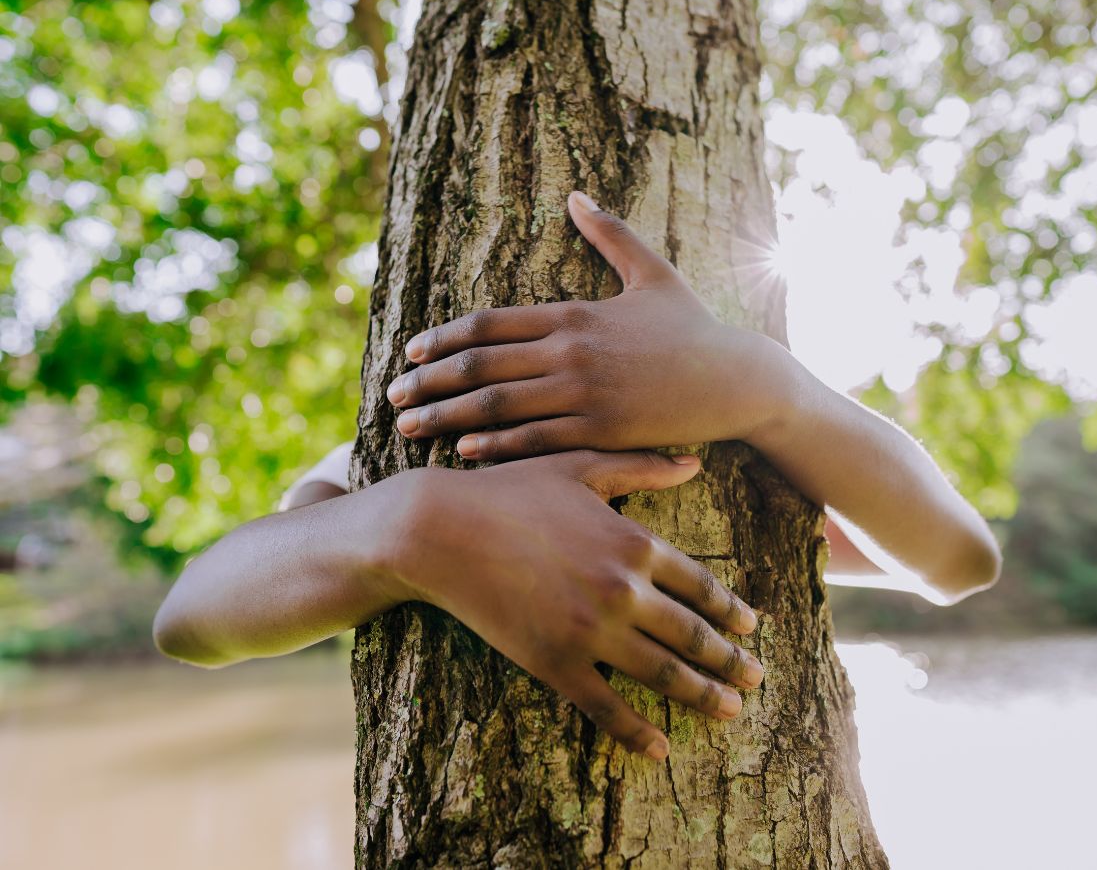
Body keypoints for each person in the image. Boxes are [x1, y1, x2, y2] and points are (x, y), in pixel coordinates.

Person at [153, 192, 1000, 762]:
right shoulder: (374, 468)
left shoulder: (755, 451)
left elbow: (958, 561)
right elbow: (191, 618)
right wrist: (412, 519)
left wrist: (771, 389)